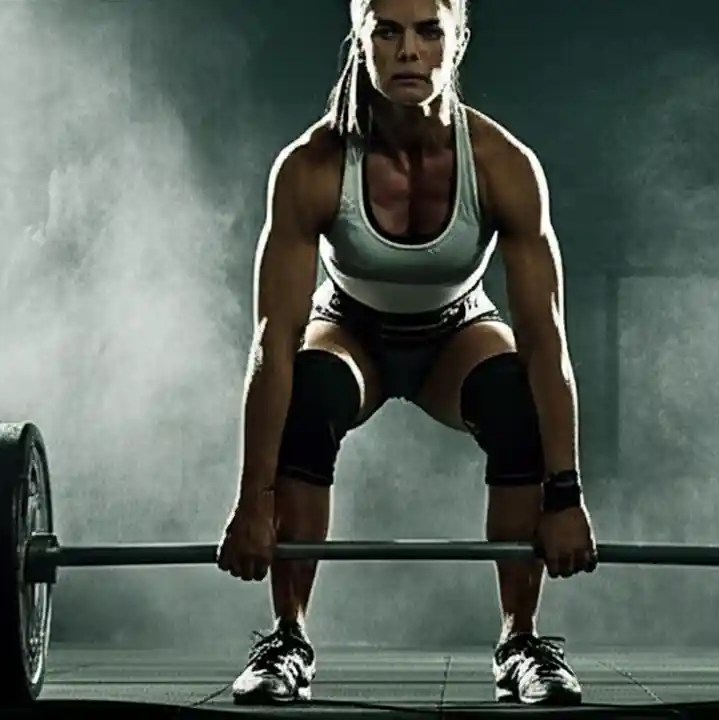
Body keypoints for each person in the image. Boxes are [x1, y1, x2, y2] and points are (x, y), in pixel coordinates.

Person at [216, 0, 598, 706]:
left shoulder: (503, 165)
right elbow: (273, 341)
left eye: (429, 32)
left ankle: (520, 640)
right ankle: (287, 637)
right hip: (352, 326)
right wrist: (252, 502)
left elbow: (548, 343)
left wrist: (566, 494)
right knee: (309, 389)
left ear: (459, 40)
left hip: (457, 330)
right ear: (361, 39)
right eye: (387, 32)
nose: (409, 52)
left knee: (517, 399)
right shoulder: (311, 165)